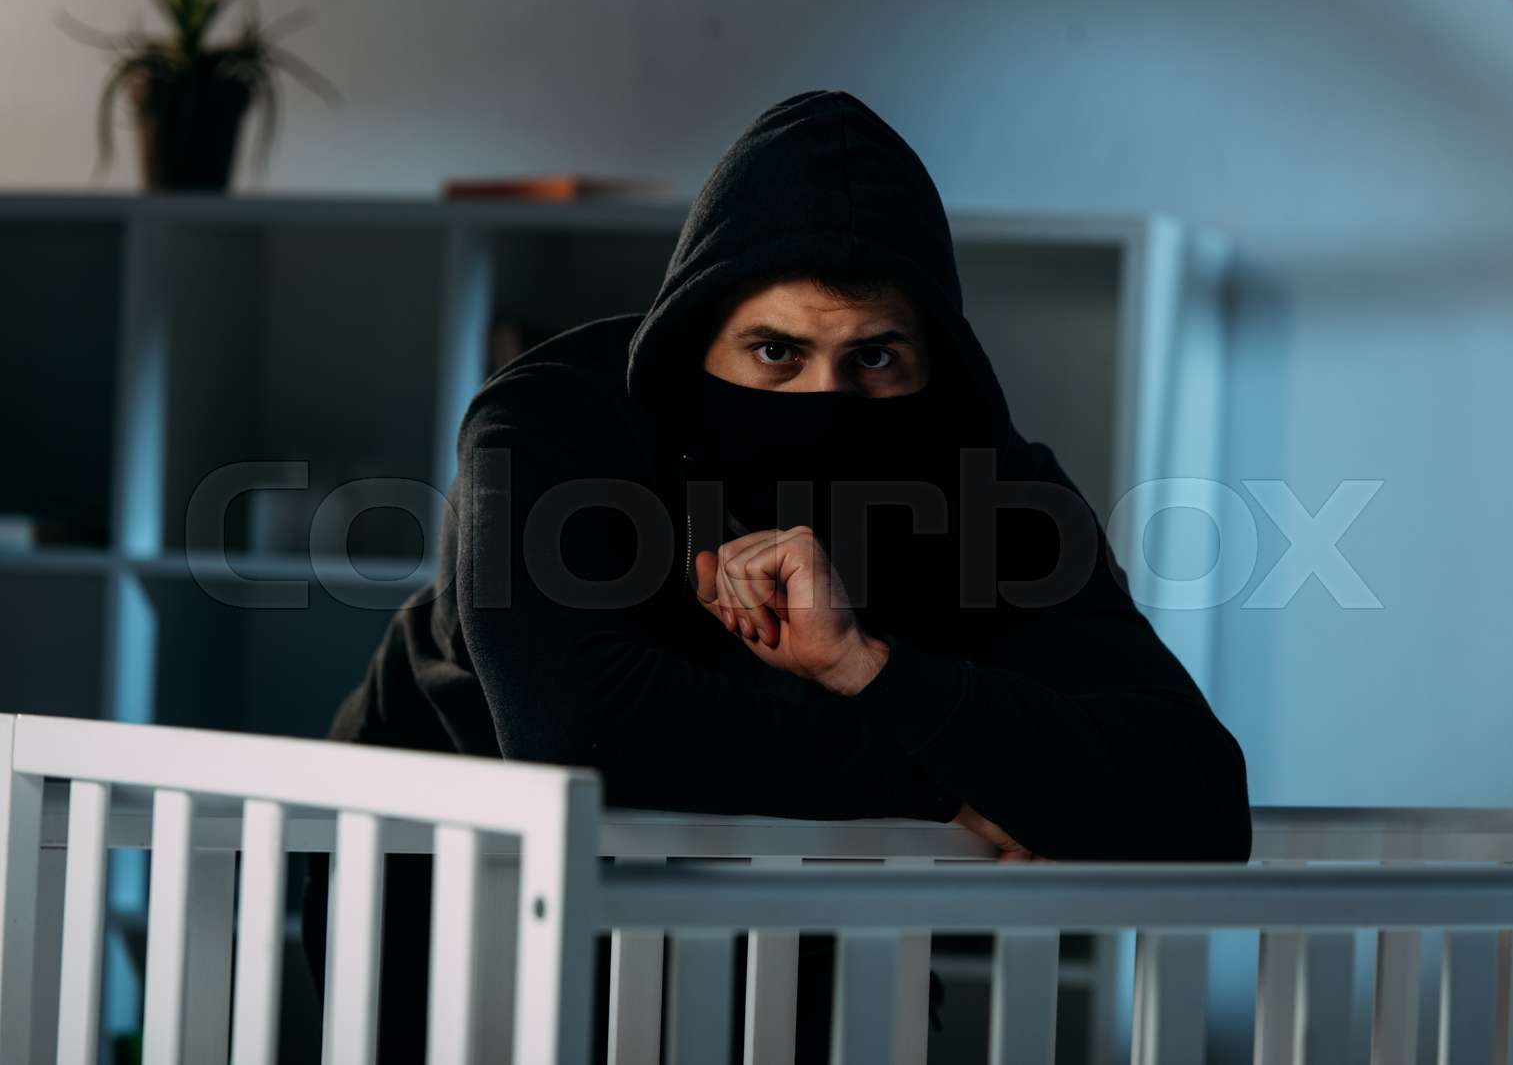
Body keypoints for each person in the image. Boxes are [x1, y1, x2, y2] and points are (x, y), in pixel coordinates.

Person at [301, 88, 1251, 1060]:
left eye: (874, 357)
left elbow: (1199, 800)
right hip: (457, 887)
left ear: (934, 362)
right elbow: (575, 726)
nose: (824, 400)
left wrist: (867, 668)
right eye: (774, 353)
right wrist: (939, 785)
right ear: (695, 336)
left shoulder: (988, 481)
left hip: (790, 906)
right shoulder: (552, 419)